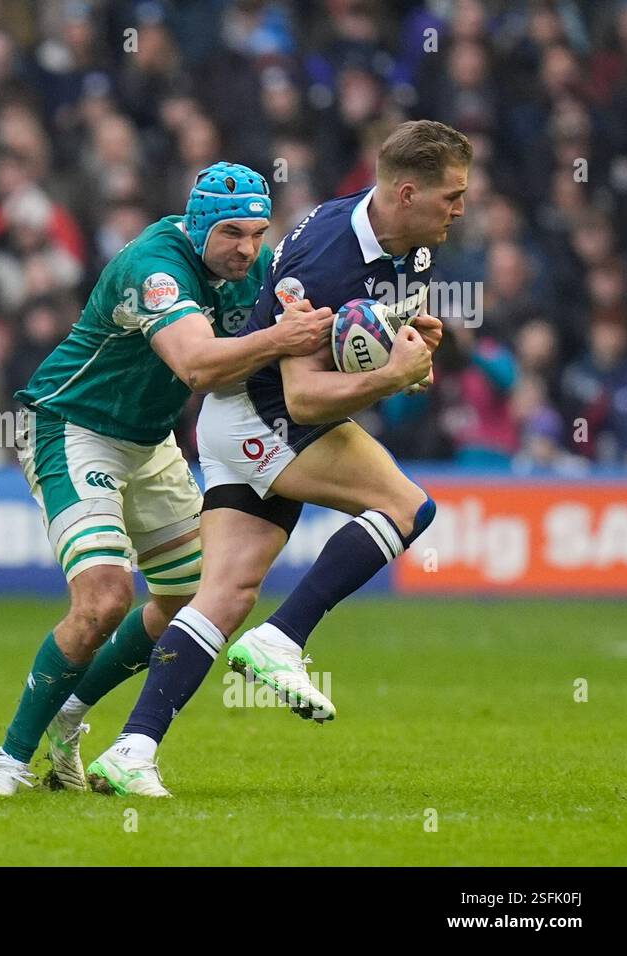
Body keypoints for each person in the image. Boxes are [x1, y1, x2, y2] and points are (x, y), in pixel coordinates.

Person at [86, 120, 465, 797]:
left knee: (222, 596)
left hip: (244, 417)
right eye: (452, 198)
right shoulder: (328, 258)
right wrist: (392, 377)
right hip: (268, 417)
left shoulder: (410, 237)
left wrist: (408, 338)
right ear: (408, 193)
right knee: (407, 506)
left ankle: (131, 750)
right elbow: (308, 396)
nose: (460, 210)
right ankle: (283, 637)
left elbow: (367, 329)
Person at [0, 162, 332, 796]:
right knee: (105, 599)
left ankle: (70, 712)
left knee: (189, 603)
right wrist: (280, 337)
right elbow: (196, 365)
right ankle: (8, 765)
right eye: (231, 234)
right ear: (197, 227)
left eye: (256, 233)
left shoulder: (254, 269)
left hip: (150, 441)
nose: (247, 248)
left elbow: (287, 340)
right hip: (73, 426)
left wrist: (382, 345)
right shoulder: (155, 271)